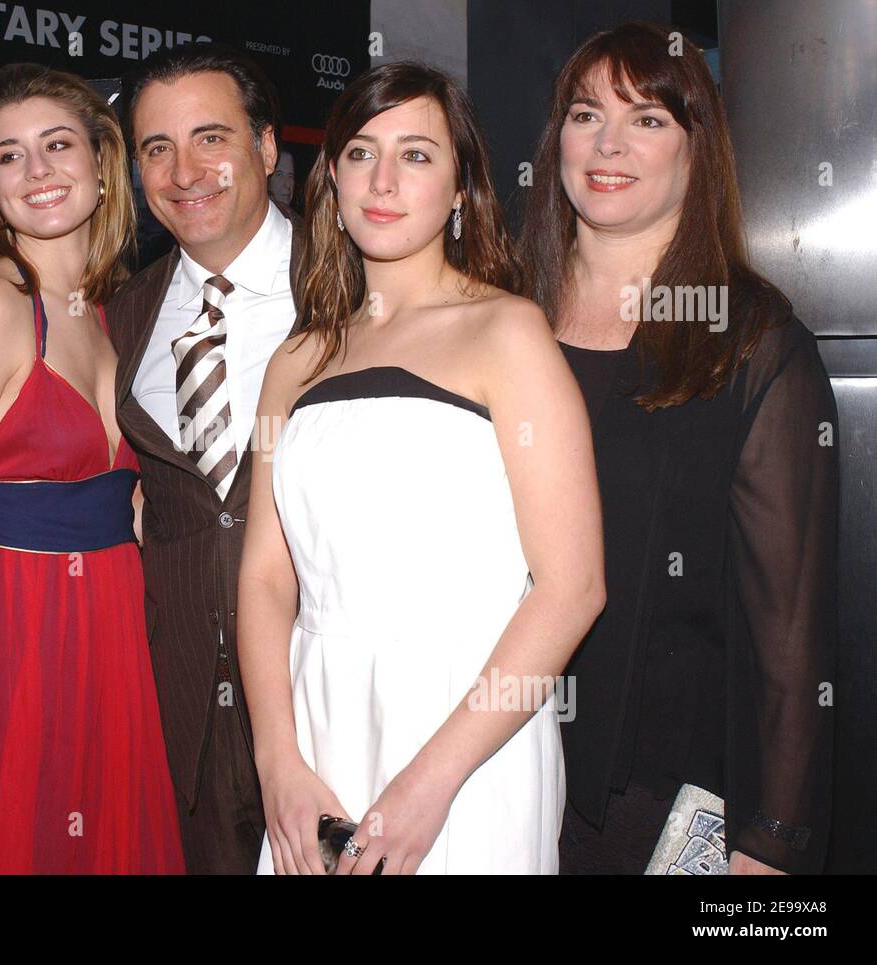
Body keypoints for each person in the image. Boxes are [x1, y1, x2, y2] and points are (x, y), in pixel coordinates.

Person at [238, 61, 605, 875]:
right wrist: (277, 763)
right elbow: (266, 577)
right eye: (361, 152)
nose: (384, 180)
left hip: (470, 740)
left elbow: (572, 587)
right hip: (317, 736)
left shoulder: (509, 335)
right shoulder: (292, 362)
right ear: (330, 179)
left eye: (417, 155)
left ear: (462, 189)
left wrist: (431, 783)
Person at [517, 21, 838, 875]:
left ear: (699, 148)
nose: (610, 143)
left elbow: (792, 633)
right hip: (490, 769)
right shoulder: (498, 321)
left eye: (649, 119)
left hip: (656, 808)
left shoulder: (751, 343)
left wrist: (768, 849)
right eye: (587, 115)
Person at [0, 63, 184, 874]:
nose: (37, 172)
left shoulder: (116, 312)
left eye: (57, 145)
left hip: (114, 641)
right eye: (9, 157)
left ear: (103, 165)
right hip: (8, 643)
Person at [107, 42, 300, 874]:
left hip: (327, 696)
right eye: (157, 147)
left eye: (211, 138)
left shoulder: (360, 287)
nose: (184, 170)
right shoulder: (119, 314)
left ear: (264, 148)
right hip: (175, 711)